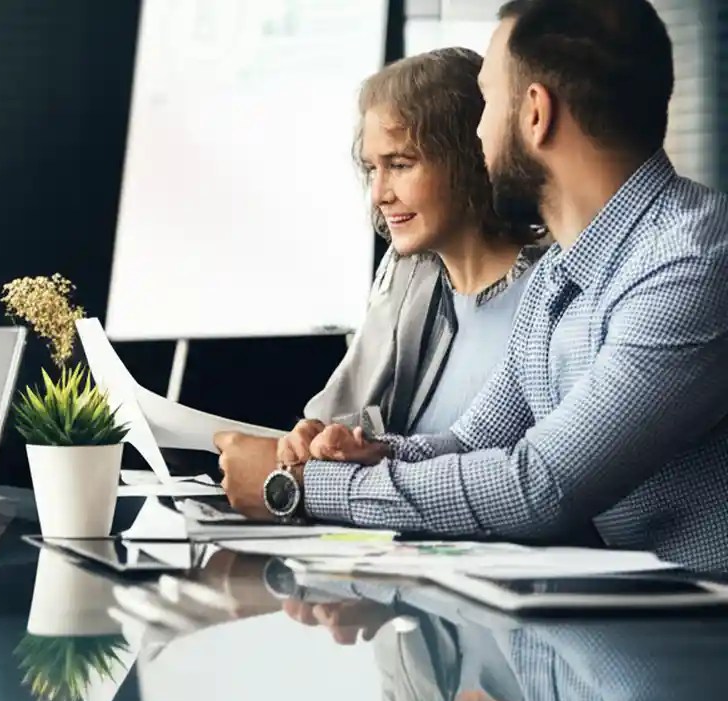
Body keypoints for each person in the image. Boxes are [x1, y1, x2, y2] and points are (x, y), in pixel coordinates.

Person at [245, 0, 728, 571]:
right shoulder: (558, 276)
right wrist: (366, 455)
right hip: (618, 629)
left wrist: (301, 490)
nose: (476, 132)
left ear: (534, 113)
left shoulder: (694, 261)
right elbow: (473, 443)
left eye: (487, 101)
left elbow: (540, 484)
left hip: (696, 640)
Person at [215, 47, 543, 492]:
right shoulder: (409, 273)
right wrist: (317, 438)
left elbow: (526, 481)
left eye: (401, 165)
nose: (379, 195)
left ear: (472, 156)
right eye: (373, 169)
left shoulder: (552, 288)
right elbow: (349, 416)